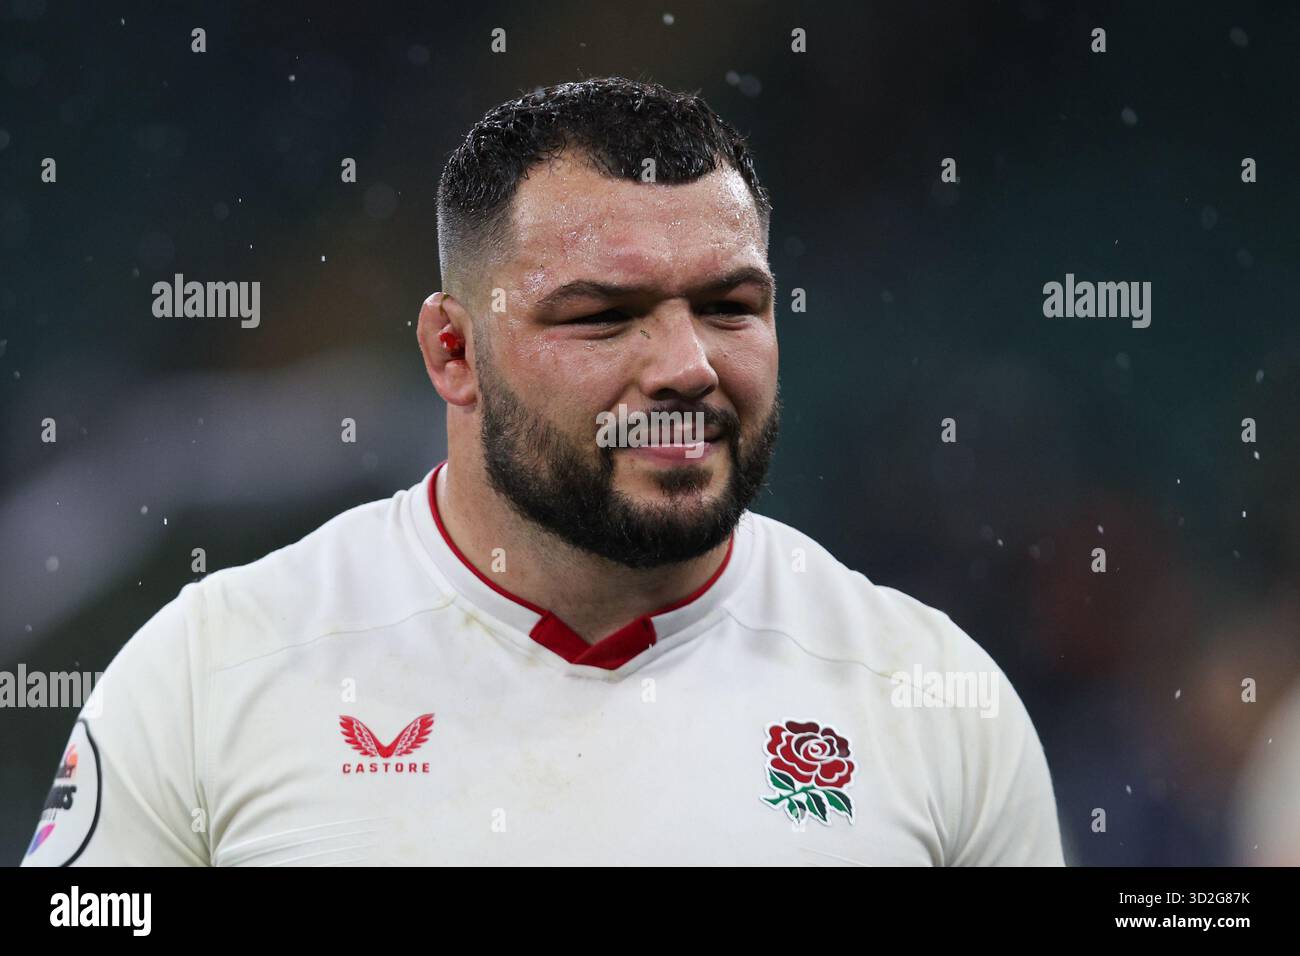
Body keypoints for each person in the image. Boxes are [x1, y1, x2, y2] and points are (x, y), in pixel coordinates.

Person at [22, 76, 1063, 866]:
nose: (687, 366)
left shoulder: (934, 702)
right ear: (452, 353)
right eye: (603, 316)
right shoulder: (209, 677)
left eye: (730, 307)